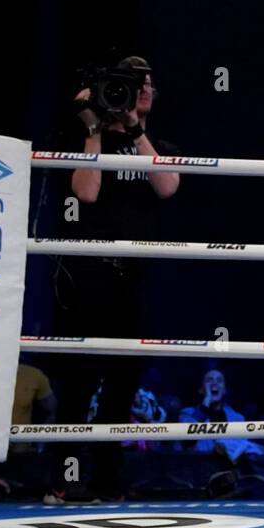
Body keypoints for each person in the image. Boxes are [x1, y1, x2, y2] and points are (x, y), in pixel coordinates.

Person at [55, 55, 180, 499]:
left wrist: (133, 127)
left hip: (134, 278)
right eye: (129, 84)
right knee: (79, 383)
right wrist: (93, 127)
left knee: (122, 386)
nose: (140, 89)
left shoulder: (154, 142)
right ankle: (66, 481)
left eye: (147, 83)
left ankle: (107, 480)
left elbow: (167, 186)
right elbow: (86, 193)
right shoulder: (88, 138)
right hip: (90, 275)